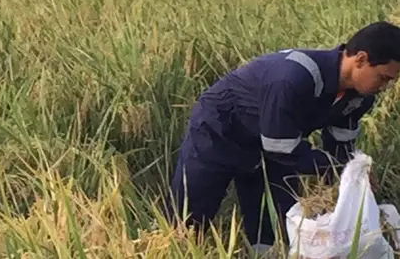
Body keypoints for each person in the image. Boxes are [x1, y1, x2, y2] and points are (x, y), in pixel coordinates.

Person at [165, 20, 400, 253]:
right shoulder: (293, 77)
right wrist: (336, 167)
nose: (384, 87)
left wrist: (354, 174)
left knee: (277, 220)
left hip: (276, 141)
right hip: (219, 132)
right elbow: (282, 149)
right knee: (189, 217)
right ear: (360, 59)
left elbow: (340, 145)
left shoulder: (360, 97)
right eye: (383, 78)